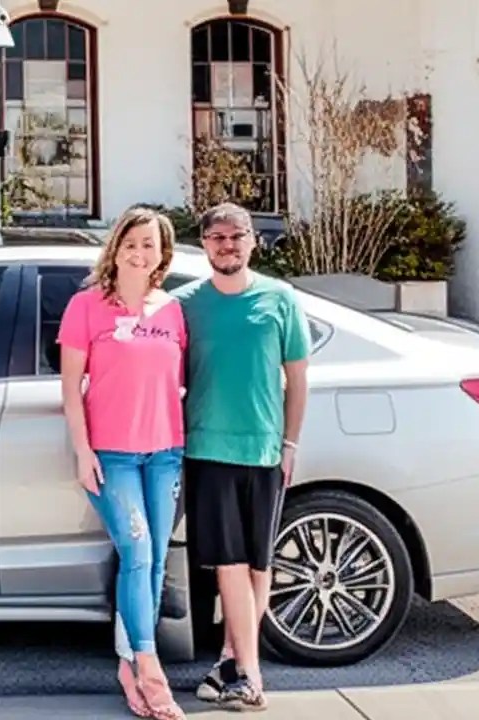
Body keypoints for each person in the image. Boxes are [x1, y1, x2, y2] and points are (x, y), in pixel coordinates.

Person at [173, 202, 311, 712]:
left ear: (253, 241)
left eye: (237, 236)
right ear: (203, 244)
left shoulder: (281, 298)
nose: (227, 245)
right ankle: (251, 676)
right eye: (217, 237)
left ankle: (233, 661)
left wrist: (290, 444)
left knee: (259, 563)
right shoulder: (185, 303)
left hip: (266, 448)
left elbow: (296, 379)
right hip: (208, 447)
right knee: (229, 562)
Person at [57, 206, 189, 720]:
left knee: (154, 561)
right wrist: (83, 452)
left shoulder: (172, 312)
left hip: (165, 452)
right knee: (136, 552)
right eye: (132, 242)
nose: (140, 253)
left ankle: (128, 664)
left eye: (150, 245)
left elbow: (179, 383)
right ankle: (152, 672)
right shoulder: (86, 307)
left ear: (162, 254)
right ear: (116, 247)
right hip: (112, 455)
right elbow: (70, 390)